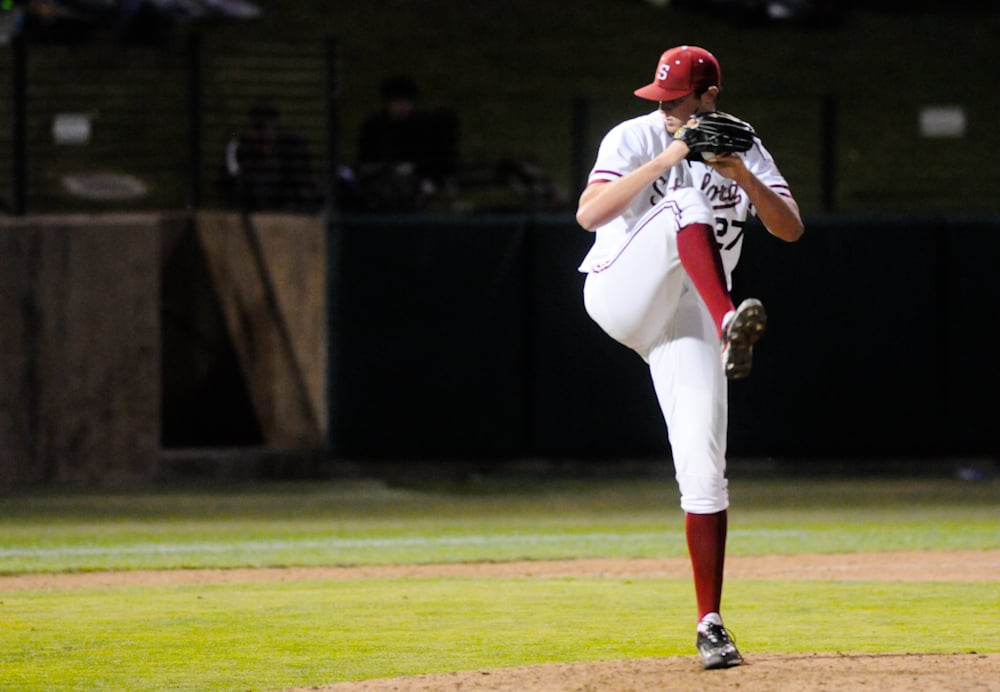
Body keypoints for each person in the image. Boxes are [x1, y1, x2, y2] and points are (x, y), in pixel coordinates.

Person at [575, 45, 803, 669]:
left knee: (704, 466)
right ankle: (730, 319)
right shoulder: (636, 136)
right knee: (684, 203)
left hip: (688, 315)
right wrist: (676, 154)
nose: (666, 107)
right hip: (622, 291)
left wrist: (743, 175)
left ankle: (710, 623)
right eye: (662, 97)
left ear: (709, 97)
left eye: (677, 99)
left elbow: (789, 228)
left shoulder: (743, 143)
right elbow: (588, 213)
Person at [356, 75, 459, 212]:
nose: (402, 107)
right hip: (385, 180)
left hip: (416, 180)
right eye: (397, 102)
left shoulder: (423, 125)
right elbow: (366, 159)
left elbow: (435, 159)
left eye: (406, 102)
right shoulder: (375, 126)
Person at [222, 100, 324, 213]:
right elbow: (232, 181)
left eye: (270, 126)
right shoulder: (239, 148)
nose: (266, 132)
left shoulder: (290, 148)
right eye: (259, 127)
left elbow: (301, 182)